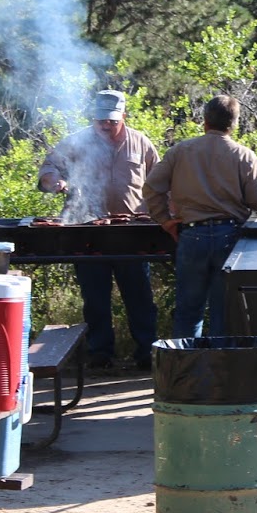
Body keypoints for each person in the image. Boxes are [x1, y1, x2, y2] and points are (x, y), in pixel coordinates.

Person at [37, 90, 162, 369]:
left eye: (112, 121)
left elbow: (159, 181)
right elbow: (48, 169)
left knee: (140, 297)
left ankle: (147, 354)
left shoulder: (141, 143)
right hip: (88, 233)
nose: (106, 125)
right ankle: (100, 354)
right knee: (95, 298)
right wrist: (54, 181)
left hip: (131, 233)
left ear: (123, 117)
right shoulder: (76, 142)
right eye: (101, 120)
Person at [143, 95, 257, 340]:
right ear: (234, 124)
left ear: (204, 121)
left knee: (188, 311)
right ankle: (220, 362)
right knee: (223, 312)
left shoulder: (179, 151)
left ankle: (185, 363)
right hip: (230, 238)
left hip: (192, 235)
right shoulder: (243, 155)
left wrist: (165, 220)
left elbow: (152, 187)